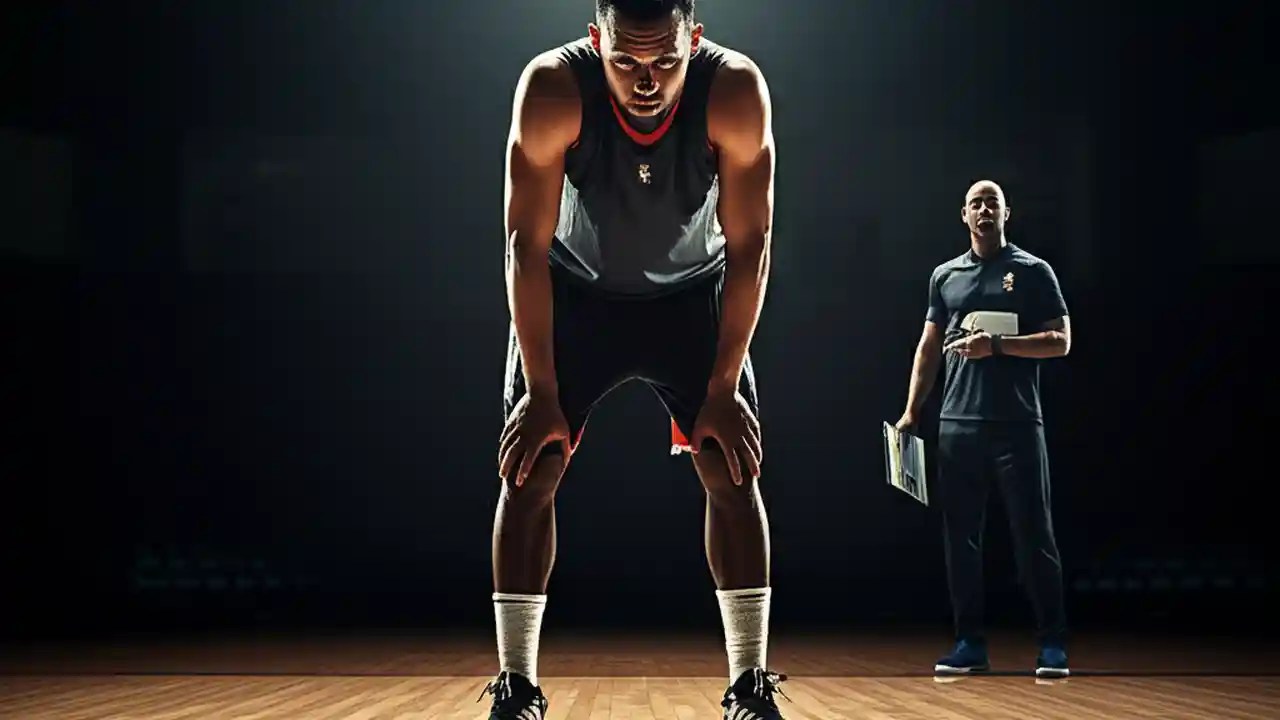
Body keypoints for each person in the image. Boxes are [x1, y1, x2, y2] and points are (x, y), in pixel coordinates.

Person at [483, 1, 788, 718]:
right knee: (532, 466)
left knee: (730, 461)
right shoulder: (553, 88)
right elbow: (524, 246)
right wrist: (542, 389)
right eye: (624, 62)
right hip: (576, 290)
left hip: (689, 296)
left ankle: (749, 683)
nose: (645, 81)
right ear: (596, 40)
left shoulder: (735, 92)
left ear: (696, 39)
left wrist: (720, 386)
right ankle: (516, 686)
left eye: (665, 61)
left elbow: (751, 249)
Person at [894, 180, 1072, 680]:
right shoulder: (945, 276)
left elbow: (1061, 341)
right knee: (961, 540)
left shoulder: (1033, 272)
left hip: (1017, 425)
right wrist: (912, 412)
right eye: (976, 202)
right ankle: (969, 643)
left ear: (1006, 212)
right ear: (964, 216)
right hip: (958, 428)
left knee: (1033, 535)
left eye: (992, 201)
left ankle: (1052, 643)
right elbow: (927, 349)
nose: (984, 209)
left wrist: (995, 345)